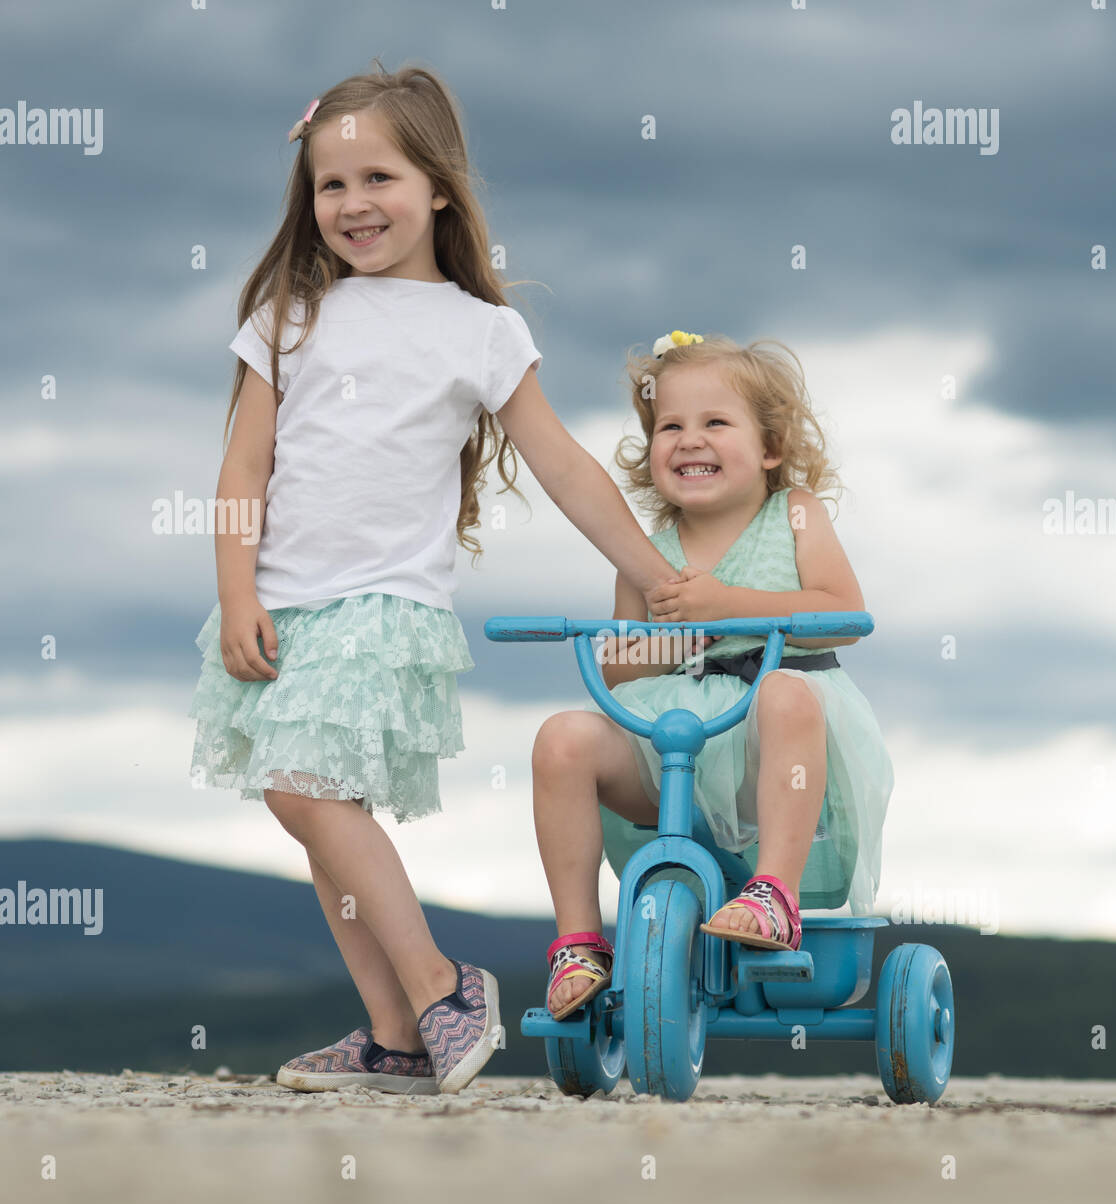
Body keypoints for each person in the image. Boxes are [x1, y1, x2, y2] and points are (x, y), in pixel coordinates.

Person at [187, 64, 681, 1094]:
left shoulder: (480, 330)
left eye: (380, 178)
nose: (355, 204)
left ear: (440, 190)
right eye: (332, 185)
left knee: (306, 790)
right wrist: (238, 591)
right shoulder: (291, 312)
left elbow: (559, 464)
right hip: (284, 604)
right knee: (317, 812)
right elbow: (243, 465)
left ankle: (441, 986)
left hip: (382, 607)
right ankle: (394, 1038)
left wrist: (651, 571)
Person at [533, 331, 894, 1019]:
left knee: (788, 692)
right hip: (675, 750)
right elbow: (617, 667)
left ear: (771, 448)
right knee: (561, 739)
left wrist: (728, 607)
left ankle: (772, 896)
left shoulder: (793, 514)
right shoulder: (647, 548)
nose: (689, 440)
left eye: (715, 423)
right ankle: (579, 942)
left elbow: (845, 613)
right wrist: (663, 640)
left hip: (775, 737)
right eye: (669, 425)